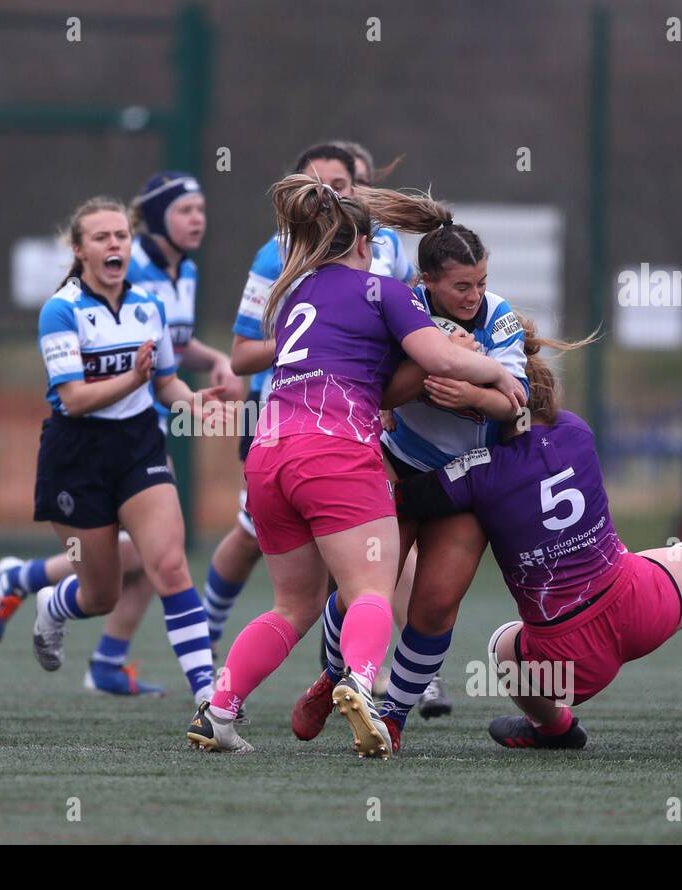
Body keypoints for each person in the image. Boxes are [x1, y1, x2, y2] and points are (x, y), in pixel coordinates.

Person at [185, 176, 523, 757]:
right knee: (369, 587)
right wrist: (496, 376)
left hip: (268, 454)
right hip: (335, 450)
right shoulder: (383, 291)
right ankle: (362, 685)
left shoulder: (295, 295)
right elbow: (441, 357)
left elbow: (376, 376)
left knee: (291, 606)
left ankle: (219, 710)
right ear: (366, 243)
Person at [392, 349, 682, 756]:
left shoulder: (475, 473)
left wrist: (401, 413)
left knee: (501, 648)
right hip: (639, 609)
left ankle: (553, 727)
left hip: (566, 665)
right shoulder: (576, 432)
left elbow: (406, 498)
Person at [0, 172, 241, 698]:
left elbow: (165, 382)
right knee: (101, 593)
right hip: (77, 454)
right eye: (101, 238)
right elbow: (73, 398)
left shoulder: (150, 305)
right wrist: (132, 378)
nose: (114, 244)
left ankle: (209, 699)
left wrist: (195, 403)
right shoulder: (62, 310)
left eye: (121, 235)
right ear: (80, 251)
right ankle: (53, 603)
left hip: (139, 445)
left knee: (168, 565)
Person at [293, 222, 551, 752]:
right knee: (367, 588)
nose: (474, 295)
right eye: (462, 286)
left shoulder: (498, 316)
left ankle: (392, 718)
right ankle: (331, 675)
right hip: (401, 468)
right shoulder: (401, 306)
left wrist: (471, 395)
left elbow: (515, 401)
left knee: (435, 605)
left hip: (467, 480)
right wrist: (413, 379)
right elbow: (374, 386)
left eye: (481, 282)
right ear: (428, 281)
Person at [202, 142, 418, 667]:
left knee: (376, 545)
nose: (328, 199)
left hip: (362, 413)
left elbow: (412, 321)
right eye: (317, 189)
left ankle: (360, 670)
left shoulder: (387, 247)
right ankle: (204, 630)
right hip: (295, 413)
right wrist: (325, 344)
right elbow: (242, 355)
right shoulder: (275, 254)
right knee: (265, 540)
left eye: (339, 188)